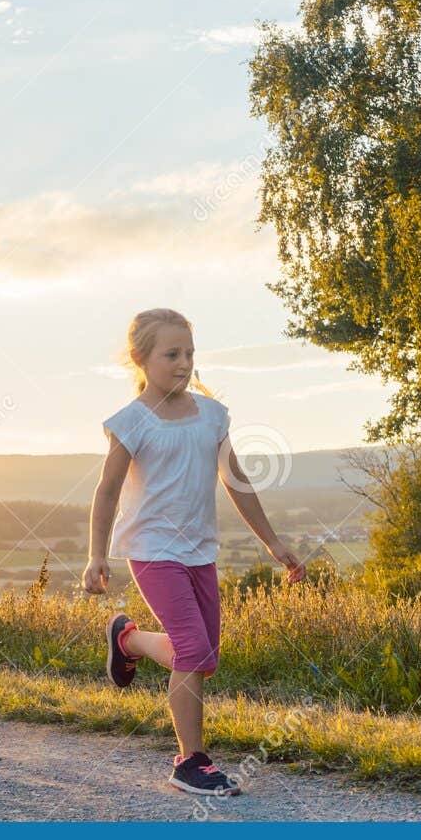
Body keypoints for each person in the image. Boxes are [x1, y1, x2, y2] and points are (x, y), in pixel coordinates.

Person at [82, 308, 304, 796]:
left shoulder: (212, 415)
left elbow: (237, 483)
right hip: (151, 549)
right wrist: (97, 554)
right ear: (142, 358)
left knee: (204, 657)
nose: (183, 364)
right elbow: (107, 491)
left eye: (189, 354)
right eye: (171, 354)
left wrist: (273, 542)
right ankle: (191, 761)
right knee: (193, 649)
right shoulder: (131, 422)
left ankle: (129, 641)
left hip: (199, 551)